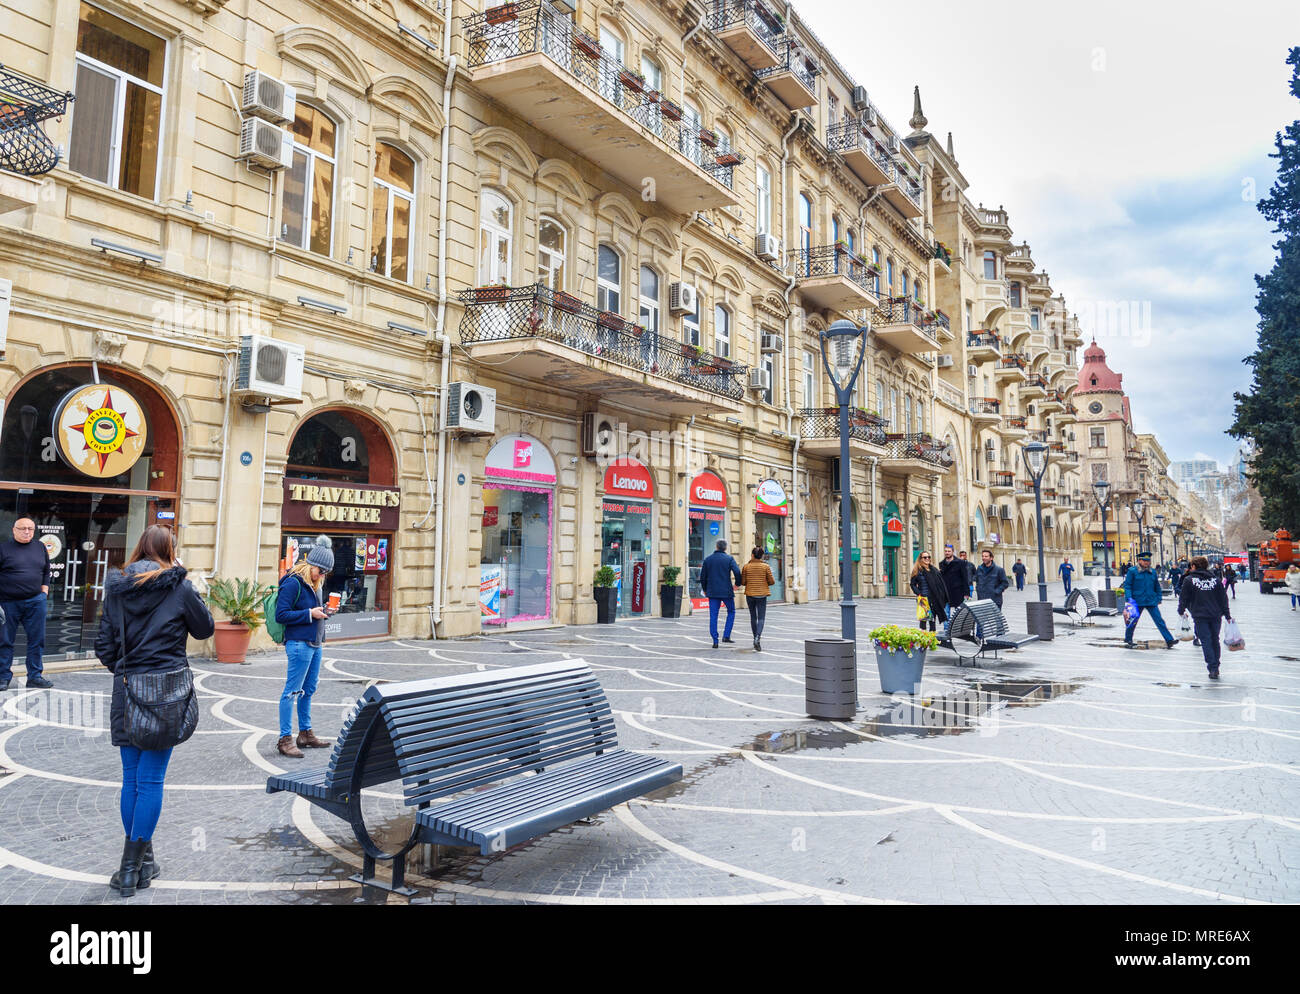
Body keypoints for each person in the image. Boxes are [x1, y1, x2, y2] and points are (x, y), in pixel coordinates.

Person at [94, 525, 214, 897]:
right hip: (166, 691)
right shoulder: (178, 587)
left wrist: (128, 669)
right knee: (150, 781)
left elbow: (104, 645)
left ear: (138, 549)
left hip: (128, 689)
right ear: (169, 551)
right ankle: (131, 868)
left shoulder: (117, 589)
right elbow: (206, 628)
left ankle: (140, 864)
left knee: (132, 778)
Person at [275, 544, 337, 758]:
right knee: (291, 692)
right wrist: (310, 613)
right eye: (321, 571)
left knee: (308, 690)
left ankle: (305, 733)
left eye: (326, 573)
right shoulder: (293, 583)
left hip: (315, 643)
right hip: (299, 644)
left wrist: (327, 612)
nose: (322, 575)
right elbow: (281, 615)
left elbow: (314, 613)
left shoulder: (314, 584)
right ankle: (284, 739)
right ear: (311, 565)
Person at [0, 517, 54, 691]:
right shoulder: (3, 548)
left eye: (30, 528)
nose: (27, 531)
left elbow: (46, 570)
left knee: (36, 640)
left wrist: (44, 590)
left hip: (36, 601)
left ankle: (35, 676)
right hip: (8, 602)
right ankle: (3, 677)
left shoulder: (39, 547)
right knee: (4, 641)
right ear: (14, 529)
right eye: (23, 528)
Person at [1177, 556, 1232, 680]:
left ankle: (1212, 668)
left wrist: (1181, 611)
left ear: (1194, 566)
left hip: (1200, 615)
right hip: (1215, 615)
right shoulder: (1216, 579)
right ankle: (1216, 666)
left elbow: (1183, 598)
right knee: (1214, 640)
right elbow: (1223, 598)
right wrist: (1227, 615)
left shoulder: (1189, 580)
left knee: (1206, 641)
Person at [1123, 551, 1176, 649]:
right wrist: (1129, 599)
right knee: (1133, 620)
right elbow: (1127, 586)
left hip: (1151, 600)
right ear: (1139, 560)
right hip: (1136, 601)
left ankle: (1169, 640)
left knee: (1159, 621)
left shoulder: (1152, 572)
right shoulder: (1132, 571)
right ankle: (1128, 638)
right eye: (1145, 561)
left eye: (1148, 561)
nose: (1147, 563)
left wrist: (1159, 598)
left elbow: (1157, 586)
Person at [698, 539, 742, 649]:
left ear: (716, 547)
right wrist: (737, 584)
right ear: (725, 548)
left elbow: (703, 576)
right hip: (726, 591)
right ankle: (726, 635)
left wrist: (705, 589)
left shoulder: (708, 560)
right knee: (731, 611)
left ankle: (715, 640)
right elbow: (737, 572)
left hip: (712, 591)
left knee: (713, 616)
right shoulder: (729, 559)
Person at [739, 547, 775, 651]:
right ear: (762, 556)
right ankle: (757, 637)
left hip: (750, 595)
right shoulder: (766, 567)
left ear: (752, 555)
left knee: (753, 617)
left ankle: (755, 637)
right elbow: (772, 581)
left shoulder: (746, 567)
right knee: (761, 618)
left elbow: (743, 582)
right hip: (762, 595)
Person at [909, 552, 948, 632]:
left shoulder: (934, 570)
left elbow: (940, 583)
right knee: (923, 621)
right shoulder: (917, 571)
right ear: (920, 559)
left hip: (934, 599)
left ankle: (931, 640)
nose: (927, 559)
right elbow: (912, 584)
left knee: (932, 621)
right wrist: (919, 593)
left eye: (928, 557)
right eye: (925, 557)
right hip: (923, 599)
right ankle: (923, 641)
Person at [939, 545, 970, 613]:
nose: (947, 553)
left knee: (958, 614)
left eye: (949, 551)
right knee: (946, 614)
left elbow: (965, 578)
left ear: (953, 552)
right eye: (946, 551)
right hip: (945, 593)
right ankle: (947, 624)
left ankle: (956, 624)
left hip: (958, 592)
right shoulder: (941, 564)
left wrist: (966, 593)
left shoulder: (960, 563)